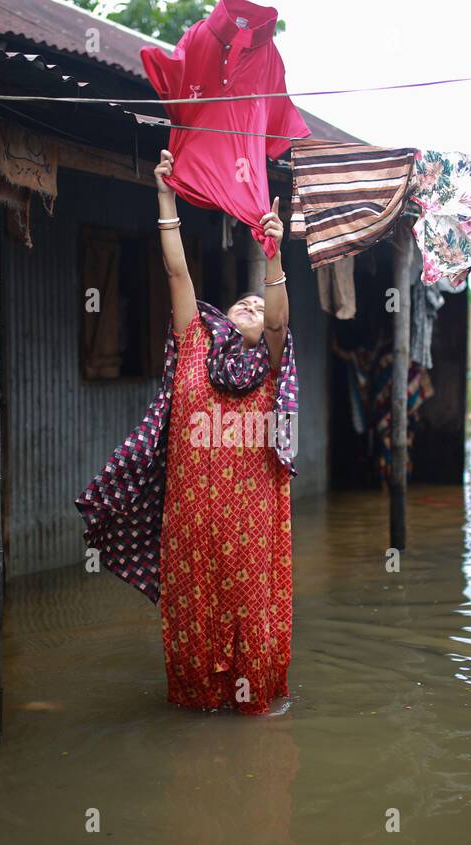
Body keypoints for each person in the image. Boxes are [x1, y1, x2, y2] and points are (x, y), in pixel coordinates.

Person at [152, 148, 295, 715]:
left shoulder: (272, 366)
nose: (253, 305)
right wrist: (166, 196)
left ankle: (255, 718)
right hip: (190, 529)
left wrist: (273, 255)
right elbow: (176, 271)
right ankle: (195, 718)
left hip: (253, 531)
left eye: (260, 306)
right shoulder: (194, 345)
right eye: (245, 300)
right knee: (192, 637)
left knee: (250, 633)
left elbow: (281, 315)